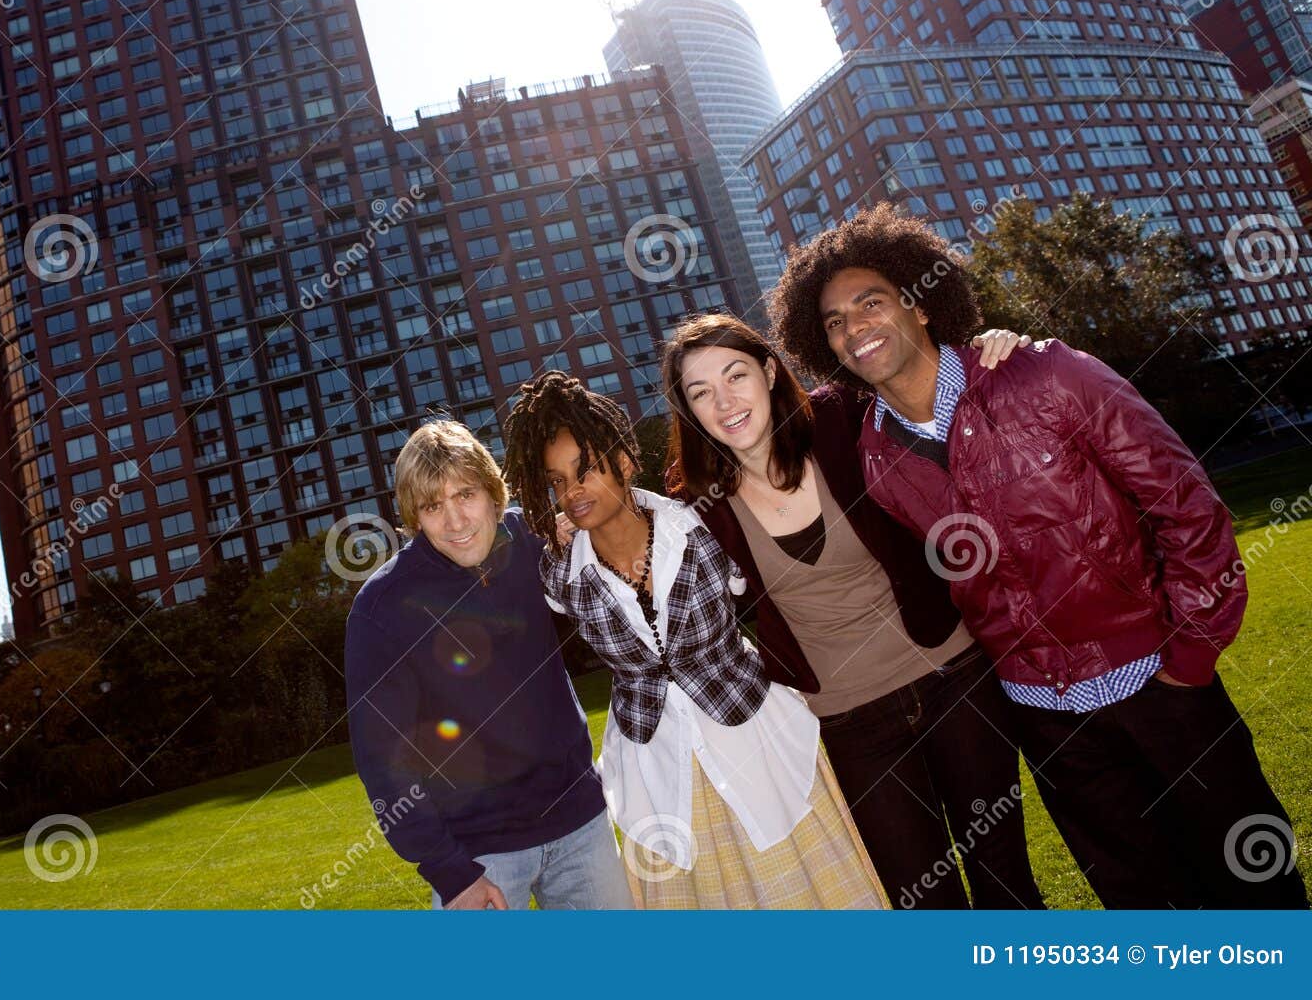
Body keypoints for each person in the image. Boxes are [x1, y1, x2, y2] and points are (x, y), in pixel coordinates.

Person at [771, 202, 1308, 909]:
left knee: (1259, 892)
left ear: (921, 305)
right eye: (835, 321)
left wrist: (1189, 656)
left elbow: (1186, 505)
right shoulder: (873, 456)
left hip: (1162, 684)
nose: (854, 326)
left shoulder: (1045, 374)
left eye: (871, 302)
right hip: (1046, 720)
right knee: (1143, 906)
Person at [657, 312, 1044, 909]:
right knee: (923, 899)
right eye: (701, 392)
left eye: (736, 375)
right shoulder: (698, 507)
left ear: (768, 372)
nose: (725, 402)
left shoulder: (839, 419)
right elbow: (630, 537)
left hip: (954, 681)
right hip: (850, 724)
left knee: (1005, 882)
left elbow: (926, 394)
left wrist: (994, 353)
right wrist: (568, 526)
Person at [502, 371, 888, 909]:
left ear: (626, 461)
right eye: (557, 481)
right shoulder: (558, 572)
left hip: (756, 741)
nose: (572, 492)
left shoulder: (704, 525)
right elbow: (478, 538)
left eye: (585, 470)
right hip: (654, 772)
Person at [344, 419, 634, 910]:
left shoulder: (531, 539)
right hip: (476, 852)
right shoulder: (381, 608)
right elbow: (382, 760)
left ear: (493, 494)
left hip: (579, 822)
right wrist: (450, 873)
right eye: (433, 506)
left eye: (466, 495)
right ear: (415, 517)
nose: (456, 522)